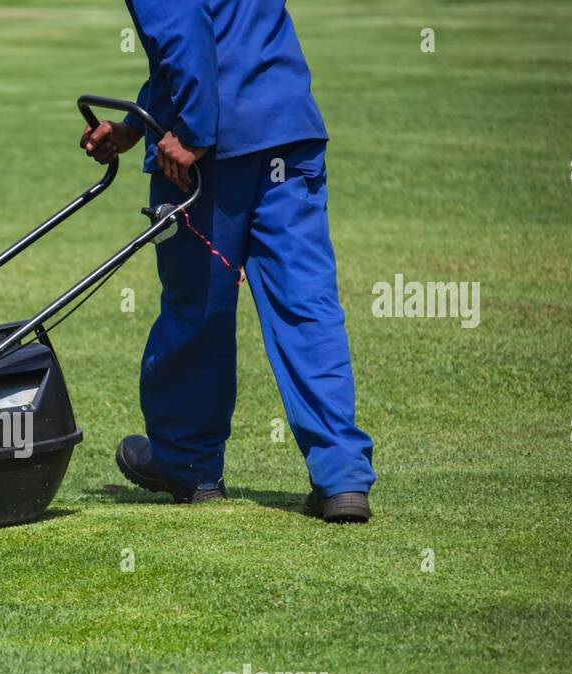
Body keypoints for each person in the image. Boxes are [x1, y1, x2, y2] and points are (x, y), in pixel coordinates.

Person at [82, 0, 375, 522]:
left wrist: (192, 132)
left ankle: (188, 463)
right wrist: (135, 126)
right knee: (305, 306)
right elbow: (225, 35)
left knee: (198, 308)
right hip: (288, 133)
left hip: (216, 153)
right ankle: (342, 476)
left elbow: (187, 33)